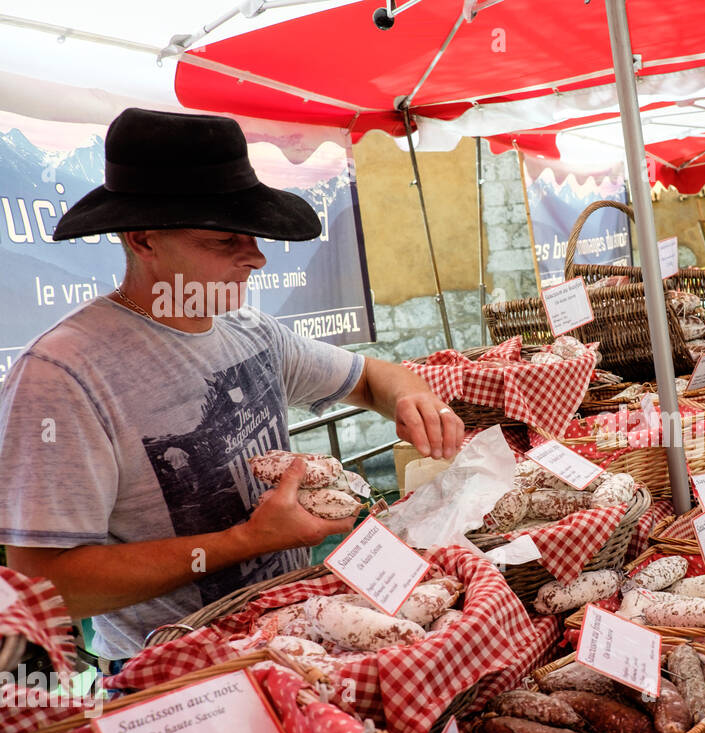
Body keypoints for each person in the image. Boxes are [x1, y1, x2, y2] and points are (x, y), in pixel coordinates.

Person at [0, 108, 465, 665]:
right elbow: (46, 586)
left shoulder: (252, 332)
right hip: (178, 670)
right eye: (224, 240)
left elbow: (371, 379)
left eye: (255, 234)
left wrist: (411, 394)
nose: (257, 257)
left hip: (294, 633)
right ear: (142, 238)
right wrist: (247, 541)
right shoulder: (61, 376)